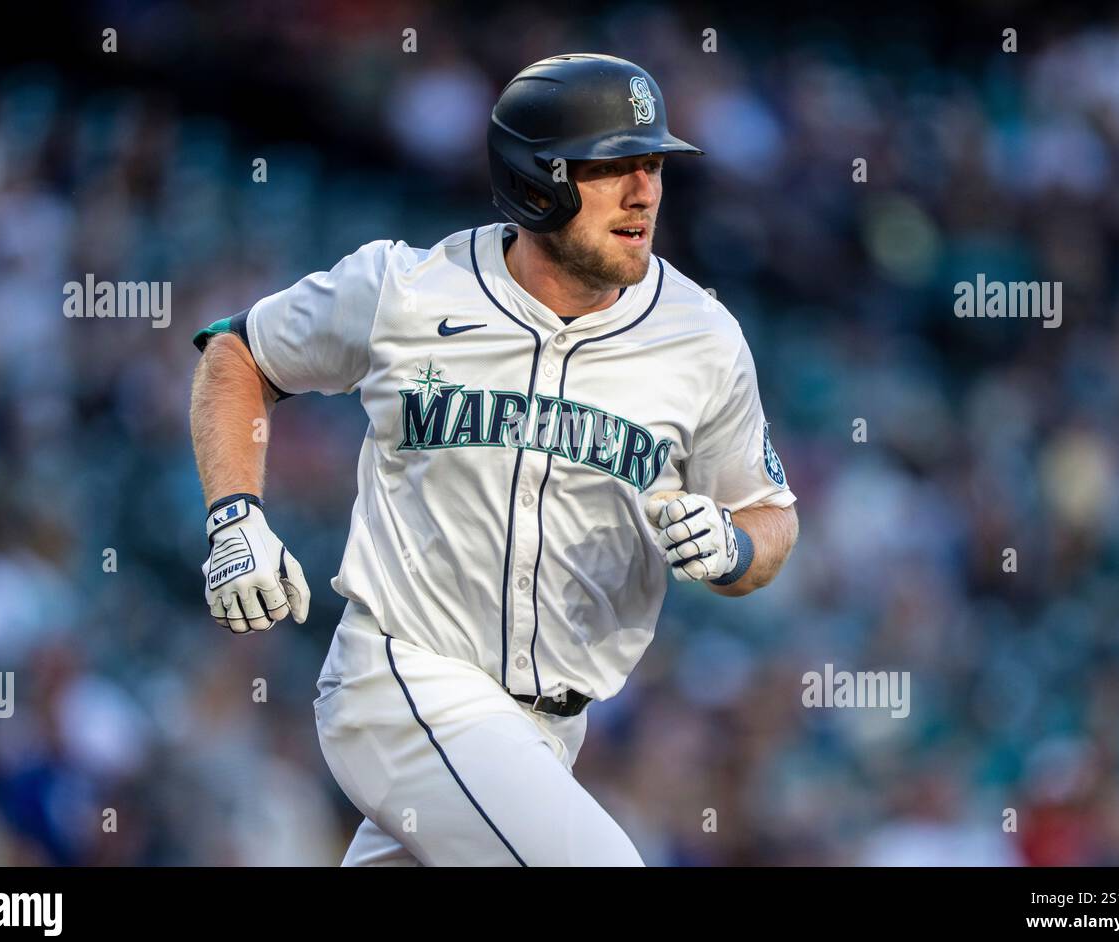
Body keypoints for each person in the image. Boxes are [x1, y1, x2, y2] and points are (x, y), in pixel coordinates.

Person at [189, 53, 799, 866]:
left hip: (547, 732)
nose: (644, 191)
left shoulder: (703, 337)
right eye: (613, 167)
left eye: (652, 164)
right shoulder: (407, 290)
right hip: (405, 683)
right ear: (534, 180)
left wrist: (735, 545)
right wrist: (236, 515)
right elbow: (238, 354)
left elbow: (771, 515)